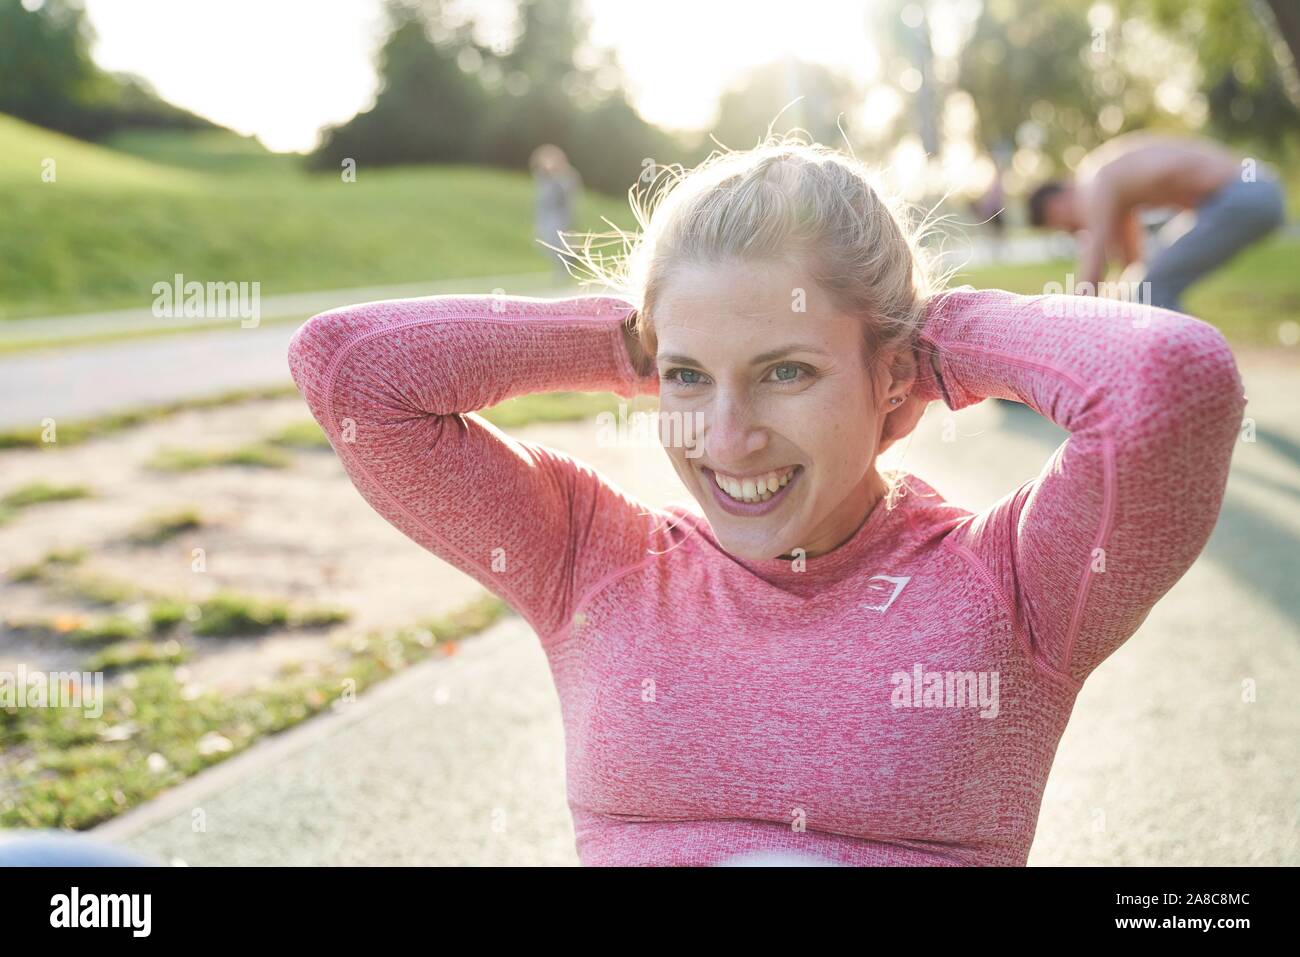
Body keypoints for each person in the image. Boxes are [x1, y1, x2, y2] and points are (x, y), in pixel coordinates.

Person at [287, 134, 1247, 866]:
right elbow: (348, 373)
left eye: (786, 370)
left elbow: (1170, 382)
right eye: (687, 379)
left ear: (893, 379)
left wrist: (934, 339)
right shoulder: (587, 557)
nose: (727, 437)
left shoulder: (1014, 588)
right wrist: (631, 340)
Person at [1026, 130, 1286, 312]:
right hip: (1248, 192)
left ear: (1054, 204)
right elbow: (1131, 267)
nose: (1070, 231)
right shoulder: (1112, 187)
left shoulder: (1092, 181)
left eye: (1058, 223)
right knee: (1143, 288)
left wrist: (1065, 326)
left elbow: (1093, 273)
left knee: (1150, 290)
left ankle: (1199, 373)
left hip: (1245, 193)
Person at [529, 144, 582, 283]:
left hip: (559, 216)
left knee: (557, 243)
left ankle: (565, 269)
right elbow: (541, 199)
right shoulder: (542, 177)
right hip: (545, 216)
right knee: (545, 243)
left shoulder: (567, 175)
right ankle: (565, 265)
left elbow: (566, 197)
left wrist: (555, 175)